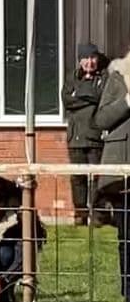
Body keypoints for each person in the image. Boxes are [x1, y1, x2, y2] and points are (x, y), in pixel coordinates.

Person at [92, 49, 130, 302]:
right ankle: (129, 299)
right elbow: (101, 119)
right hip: (123, 175)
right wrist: (127, 101)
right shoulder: (117, 77)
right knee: (127, 238)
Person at [61, 43, 108, 225]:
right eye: (86, 58)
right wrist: (89, 97)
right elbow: (67, 100)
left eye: (92, 58)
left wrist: (79, 94)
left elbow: (101, 97)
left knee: (96, 177)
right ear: (80, 60)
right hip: (75, 137)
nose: (89, 62)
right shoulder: (71, 77)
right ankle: (80, 214)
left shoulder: (104, 77)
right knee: (77, 177)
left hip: (95, 135)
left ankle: (97, 214)